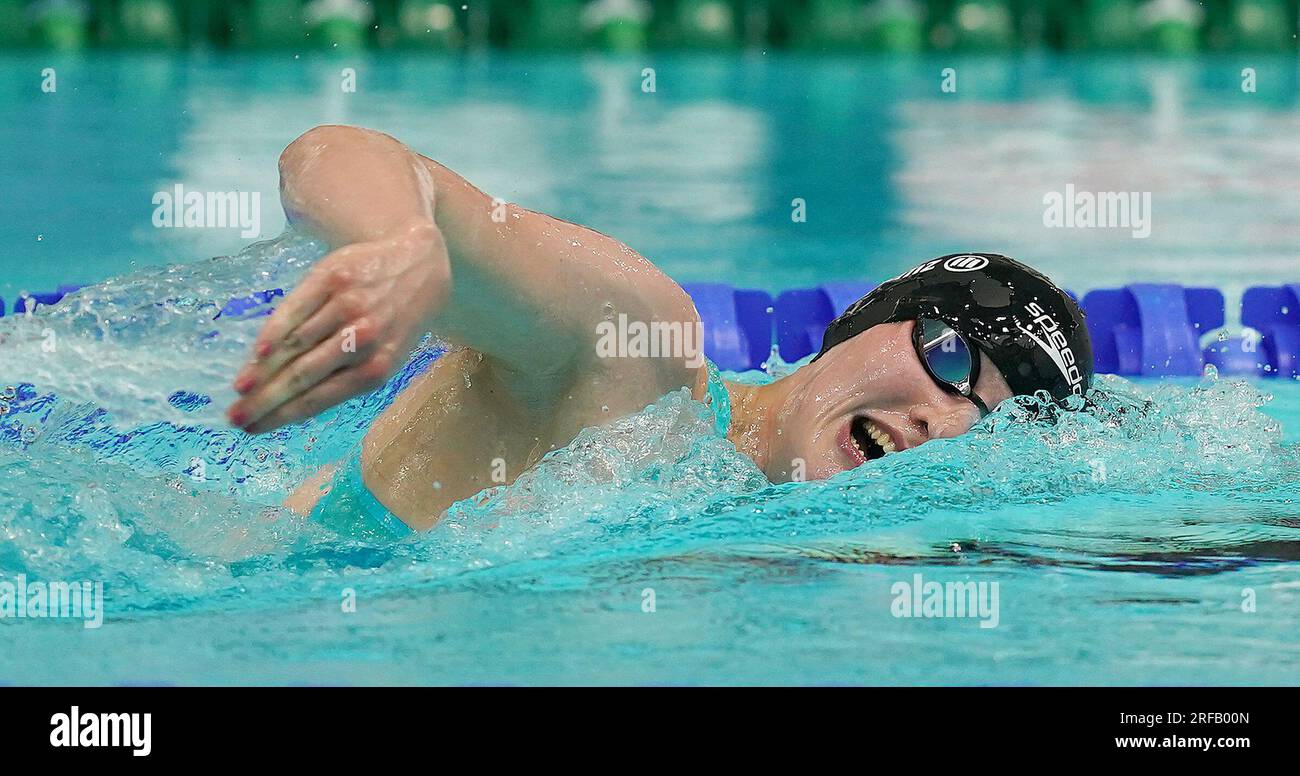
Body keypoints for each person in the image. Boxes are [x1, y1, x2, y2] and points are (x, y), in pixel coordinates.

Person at [226, 125, 1092, 537]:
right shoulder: (634, 363)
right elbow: (334, 155)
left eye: (992, 421)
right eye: (950, 358)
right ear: (860, 324)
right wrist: (400, 244)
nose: (946, 424)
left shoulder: (802, 553)